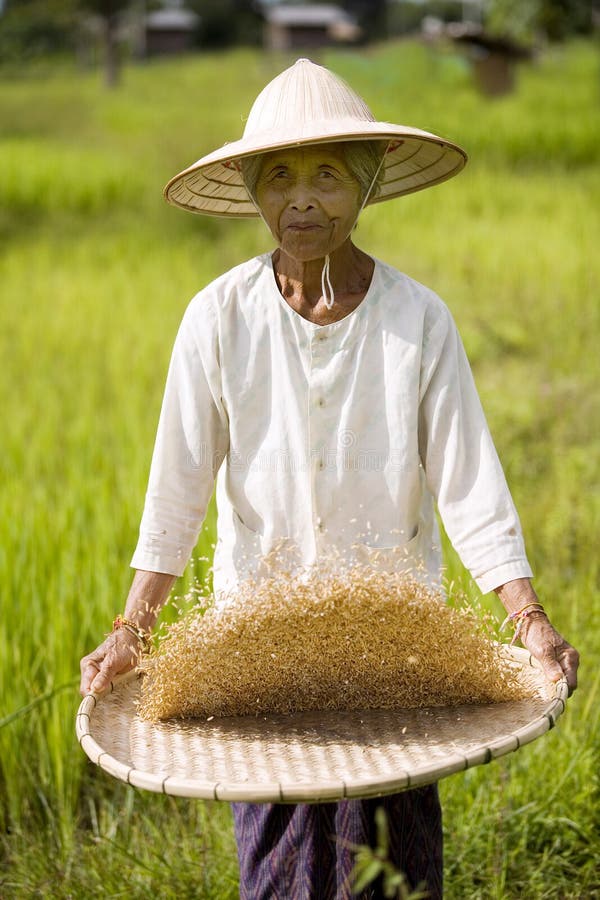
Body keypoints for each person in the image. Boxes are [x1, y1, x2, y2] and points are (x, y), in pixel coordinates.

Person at [80, 59, 579, 899]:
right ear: (252, 192)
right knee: (278, 869)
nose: (302, 200)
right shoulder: (217, 319)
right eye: (279, 177)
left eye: (326, 176)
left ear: (367, 185)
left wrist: (528, 619)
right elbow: (178, 490)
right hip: (255, 655)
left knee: (391, 872)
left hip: (397, 654)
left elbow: (469, 482)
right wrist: (134, 625)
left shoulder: (418, 320)